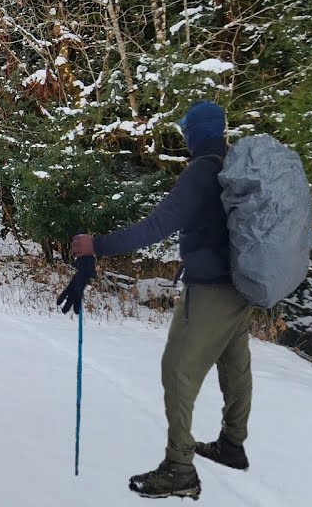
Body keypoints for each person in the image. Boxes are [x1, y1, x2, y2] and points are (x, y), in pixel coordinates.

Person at [57, 100, 253, 500]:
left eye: (186, 130)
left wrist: (99, 245)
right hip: (241, 287)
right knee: (235, 364)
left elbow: (159, 225)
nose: (183, 137)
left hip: (210, 290)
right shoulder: (234, 167)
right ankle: (233, 444)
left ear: (196, 132)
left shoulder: (203, 171)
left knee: (177, 370)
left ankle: (179, 468)